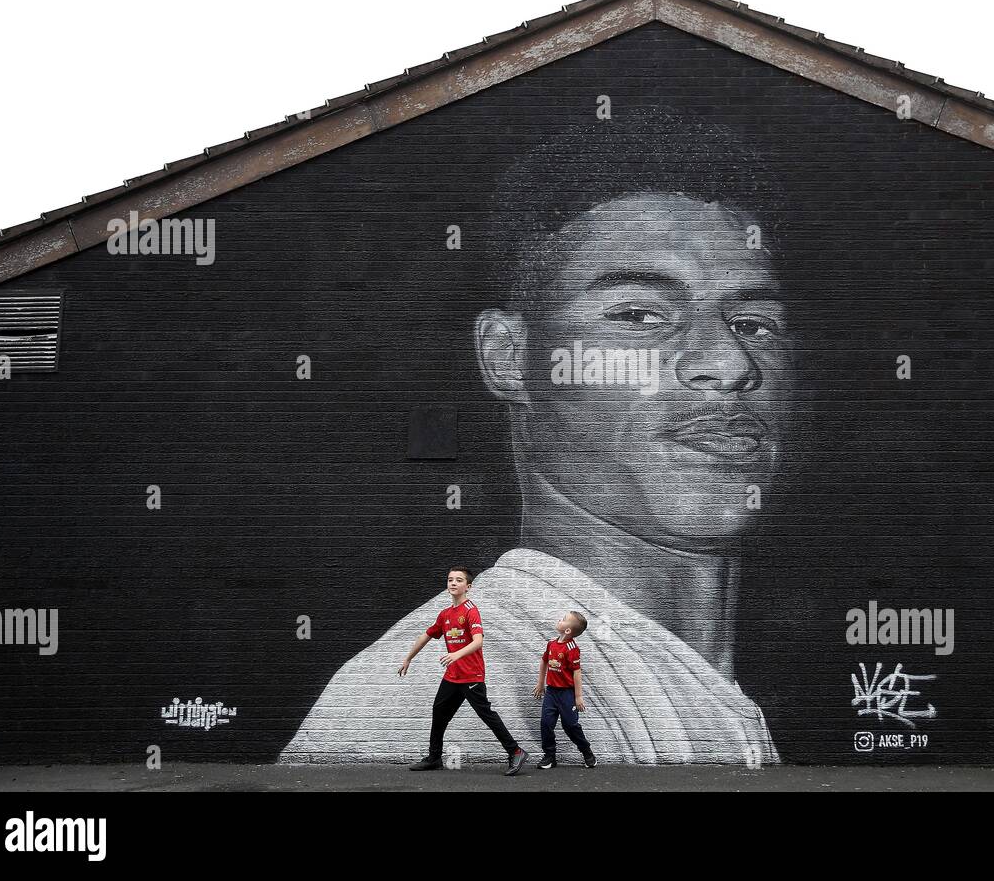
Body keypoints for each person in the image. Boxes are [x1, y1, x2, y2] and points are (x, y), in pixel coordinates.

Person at [281, 108, 794, 765]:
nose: (728, 364)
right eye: (638, 315)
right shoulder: (433, 699)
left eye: (753, 322)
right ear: (509, 357)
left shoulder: (712, 691)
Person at [398, 566, 529, 775]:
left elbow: (478, 641)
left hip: (471, 675)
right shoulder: (445, 614)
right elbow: (426, 635)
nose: (453, 583)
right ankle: (434, 757)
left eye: (459, 580)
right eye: (450, 579)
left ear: (468, 586)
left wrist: (456, 655)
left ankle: (515, 751)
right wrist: (408, 658)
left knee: (486, 714)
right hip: (452, 676)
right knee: (439, 713)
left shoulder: (470, 610)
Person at [534, 610, 595, 769]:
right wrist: (541, 683)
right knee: (546, 723)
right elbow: (544, 662)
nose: (559, 620)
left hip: (567, 693)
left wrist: (578, 696)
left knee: (570, 725)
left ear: (568, 630)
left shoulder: (572, 648)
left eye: (563, 619)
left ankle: (586, 752)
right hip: (552, 692)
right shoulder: (551, 644)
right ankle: (549, 756)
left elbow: (577, 672)